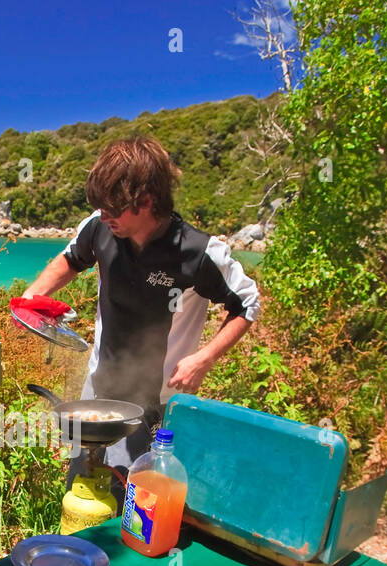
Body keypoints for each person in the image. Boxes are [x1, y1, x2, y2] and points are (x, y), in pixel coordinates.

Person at [22, 136, 261, 480]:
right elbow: (72, 260)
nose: (103, 216)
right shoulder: (100, 228)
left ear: (146, 201)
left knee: (136, 499)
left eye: (112, 209)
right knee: (81, 485)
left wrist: (203, 359)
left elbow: (247, 304)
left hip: (158, 400)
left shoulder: (198, 251)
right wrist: (33, 298)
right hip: (99, 386)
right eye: (100, 207)